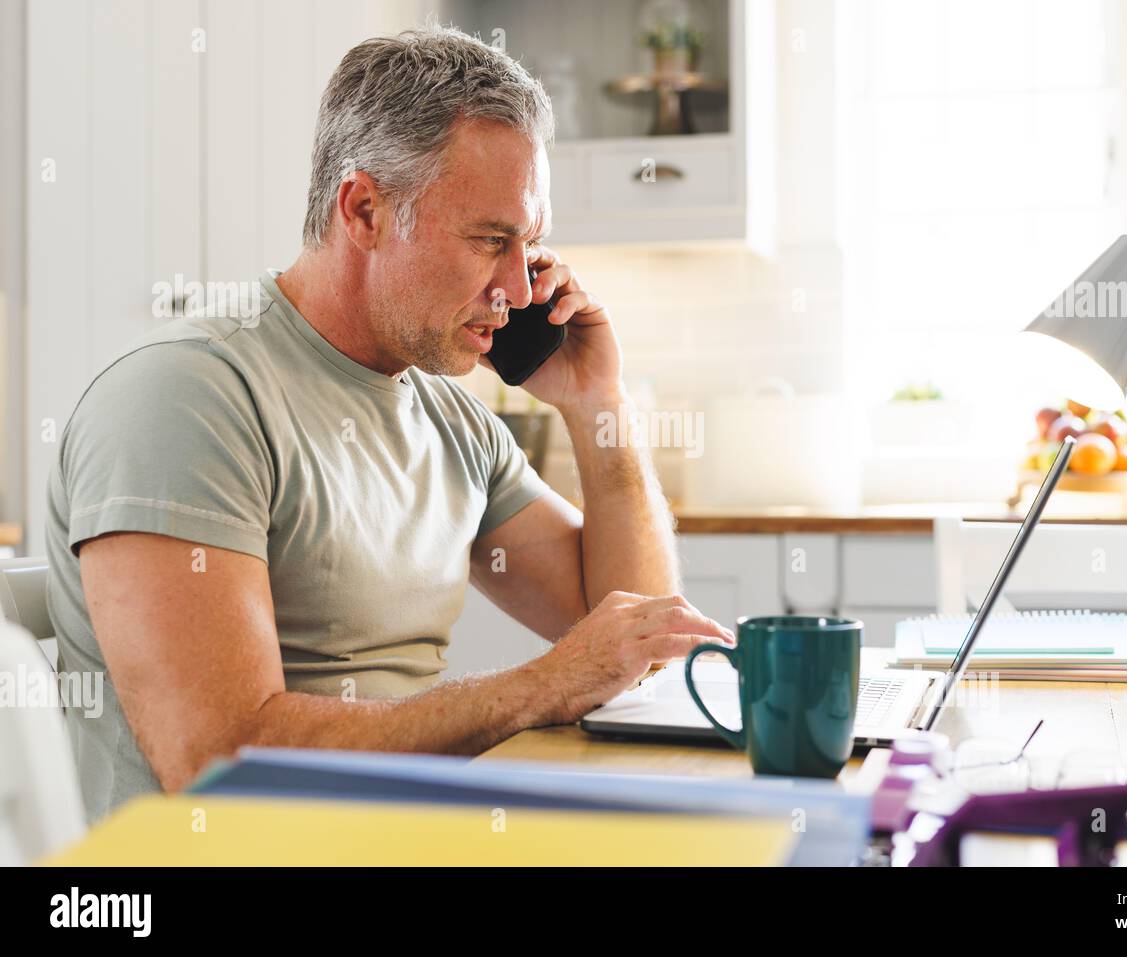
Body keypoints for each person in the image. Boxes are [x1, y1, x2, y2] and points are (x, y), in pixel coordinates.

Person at [46, 25, 732, 820]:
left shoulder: (451, 421)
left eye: (530, 245)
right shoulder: (185, 397)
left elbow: (630, 642)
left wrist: (599, 403)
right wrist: (537, 687)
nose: (518, 283)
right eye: (489, 240)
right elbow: (215, 761)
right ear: (365, 209)